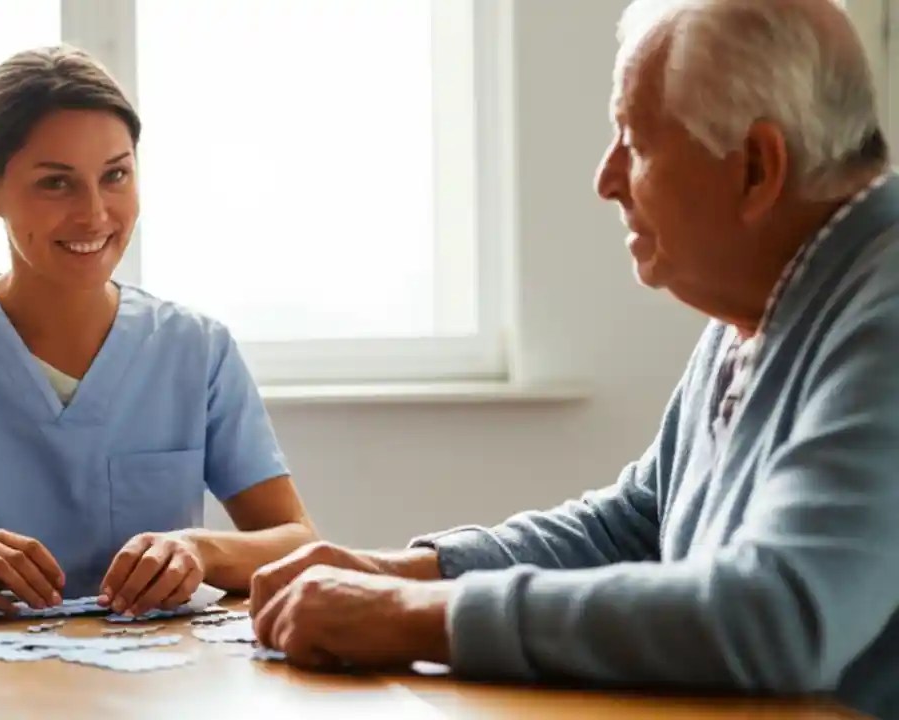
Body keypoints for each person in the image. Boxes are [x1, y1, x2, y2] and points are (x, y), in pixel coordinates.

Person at [248, 1, 899, 717]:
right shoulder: (763, 295)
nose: (606, 177)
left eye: (636, 142)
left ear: (756, 169)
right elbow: (636, 525)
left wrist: (415, 614)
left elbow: (776, 616)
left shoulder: (885, 316)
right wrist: (398, 571)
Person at [0, 46, 316, 618]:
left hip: (157, 691)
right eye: (56, 183)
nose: (95, 214)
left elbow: (296, 541)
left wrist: (198, 549)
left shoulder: (195, 348)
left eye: (116, 176)